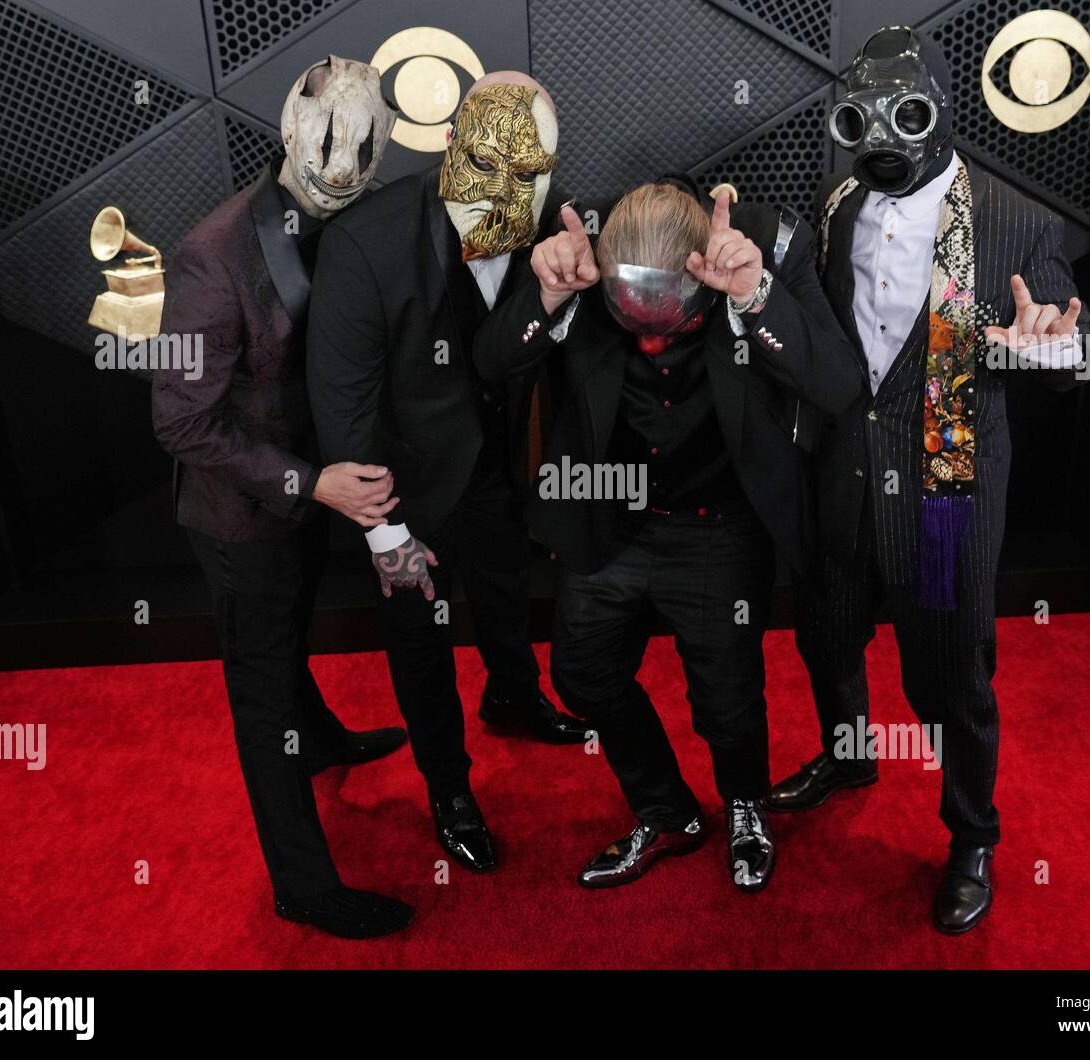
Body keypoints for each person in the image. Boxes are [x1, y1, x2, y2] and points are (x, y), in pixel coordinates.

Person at [765, 27, 1090, 933]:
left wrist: (1053, 345)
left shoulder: (1015, 220)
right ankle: (850, 755)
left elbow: (1081, 345)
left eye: (907, 116)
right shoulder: (836, 204)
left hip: (948, 486)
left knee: (951, 674)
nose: (885, 139)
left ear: (943, 112)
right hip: (840, 468)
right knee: (828, 636)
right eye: (863, 119)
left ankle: (971, 835)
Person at [474, 178, 858, 892]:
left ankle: (745, 806)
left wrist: (755, 296)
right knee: (580, 675)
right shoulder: (582, 257)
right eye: (631, 320)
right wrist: (550, 299)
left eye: (671, 323)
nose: (650, 337)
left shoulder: (764, 249)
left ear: (701, 266)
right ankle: (668, 810)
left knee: (728, 698)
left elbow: (839, 384)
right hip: (609, 517)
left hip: (720, 524)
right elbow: (492, 363)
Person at [152, 56, 412, 939]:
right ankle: (303, 887)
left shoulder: (354, 217)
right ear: (291, 138)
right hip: (242, 517)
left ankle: (326, 740)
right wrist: (310, 483)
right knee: (261, 692)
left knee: (290, 636)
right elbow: (180, 425)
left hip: (311, 497)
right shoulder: (210, 257)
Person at [307, 72, 586, 877]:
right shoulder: (368, 242)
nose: (508, 191)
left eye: (527, 174)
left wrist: (556, 300)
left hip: (497, 463)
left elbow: (528, 343)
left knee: (505, 588)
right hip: (406, 486)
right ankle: (448, 786)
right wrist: (386, 534)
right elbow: (344, 404)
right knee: (421, 642)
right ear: (451, 145)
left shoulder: (550, 209)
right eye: (487, 165)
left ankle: (514, 695)